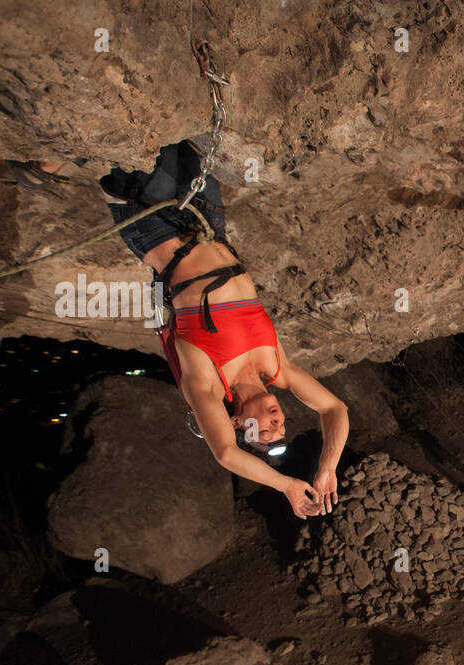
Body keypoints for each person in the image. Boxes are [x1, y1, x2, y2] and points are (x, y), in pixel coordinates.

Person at [21, 142, 349, 519]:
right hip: (208, 225)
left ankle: (55, 158)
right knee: (182, 138)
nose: (278, 422)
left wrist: (287, 486)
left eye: (266, 431)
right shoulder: (278, 367)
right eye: (282, 426)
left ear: (239, 423)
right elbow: (334, 408)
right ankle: (74, 155)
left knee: (135, 140)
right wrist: (326, 469)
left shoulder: (206, 382)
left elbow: (227, 453)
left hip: (161, 233)